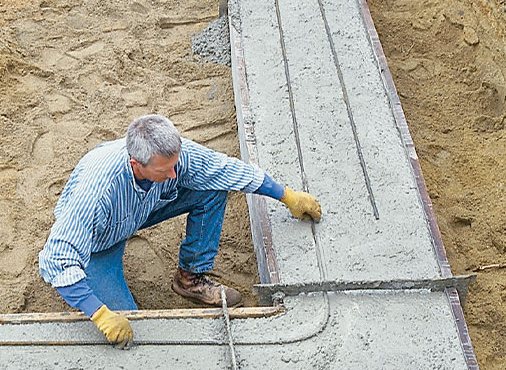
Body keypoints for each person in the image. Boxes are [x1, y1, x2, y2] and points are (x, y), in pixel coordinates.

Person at [38, 114, 321, 347]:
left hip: (137, 211)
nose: (175, 175)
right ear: (137, 164)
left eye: (175, 165)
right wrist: (99, 314)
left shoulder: (170, 157)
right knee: (132, 330)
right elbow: (57, 259)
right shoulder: (96, 194)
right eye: (166, 170)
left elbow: (222, 168)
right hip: (99, 244)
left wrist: (286, 196)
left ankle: (189, 279)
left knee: (212, 188)